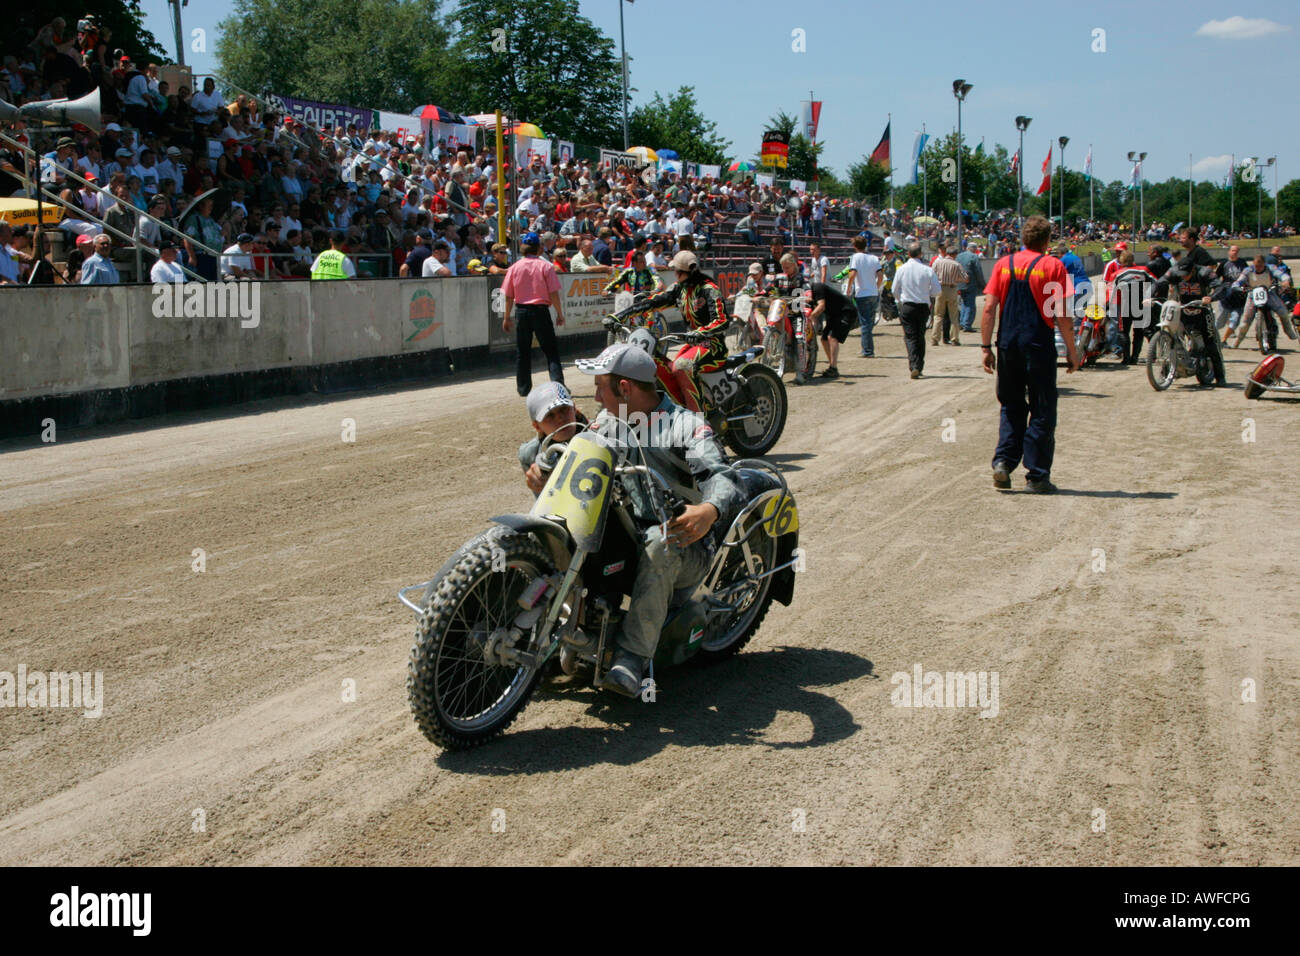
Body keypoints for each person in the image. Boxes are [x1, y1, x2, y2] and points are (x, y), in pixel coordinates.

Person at [557, 342, 743, 696]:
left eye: (600, 385)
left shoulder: (685, 425)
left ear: (624, 389)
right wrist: (543, 466)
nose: (596, 396)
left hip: (686, 545)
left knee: (662, 540)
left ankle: (631, 657)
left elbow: (723, 475)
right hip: (631, 533)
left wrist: (709, 509)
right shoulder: (608, 422)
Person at [980, 215, 1081, 494]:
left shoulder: (1003, 265)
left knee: (1011, 405)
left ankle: (1003, 461)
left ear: (1023, 239)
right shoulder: (1053, 266)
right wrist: (1073, 352)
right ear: (1047, 241)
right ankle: (1036, 476)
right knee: (1042, 408)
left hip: (1008, 344)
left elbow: (989, 309)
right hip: (1038, 345)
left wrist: (986, 348)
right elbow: (1062, 313)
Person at [636, 251, 728, 412]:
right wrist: (622, 314)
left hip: (713, 345)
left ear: (688, 272)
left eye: (677, 271)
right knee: (669, 368)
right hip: (693, 344)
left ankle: (698, 419)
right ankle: (679, 408)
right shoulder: (680, 289)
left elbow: (722, 320)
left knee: (681, 366)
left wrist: (701, 332)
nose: (675, 274)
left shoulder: (709, 289)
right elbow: (656, 301)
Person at [502, 231, 566, 397]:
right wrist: (559, 313)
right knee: (551, 350)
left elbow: (509, 295)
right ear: (538, 249)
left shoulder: (515, 267)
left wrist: (506, 316)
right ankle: (558, 385)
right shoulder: (545, 266)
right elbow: (553, 293)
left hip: (522, 311)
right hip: (540, 310)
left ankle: (523, 388)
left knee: (522, 351)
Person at [1164, 226, 1227, 385]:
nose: (1180, 240)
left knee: (1210, 343)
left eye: (1183, 237)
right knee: (1172, 330)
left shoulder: (1199, 256)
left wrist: (1209, 293)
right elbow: (1164, 280)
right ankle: (1172, 366)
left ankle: (1220, 377)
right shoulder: (1186, 260)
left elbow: (1214, 271)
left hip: (1201, 305)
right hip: (1185, 304)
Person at [518, 382, 590, 495]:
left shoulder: (600, 436)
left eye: (564, 409)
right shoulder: (530, 454)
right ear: (537, 426)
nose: (560, 418)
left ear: (574, 409)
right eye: (549, 415)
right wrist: (538, 483)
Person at [892, 243, 941, 378]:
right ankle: (919, 366)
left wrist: (901, 300)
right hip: (923, 306)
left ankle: (914, 365)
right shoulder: (927, 270)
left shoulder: (902, 269)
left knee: (910, 337)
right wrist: (927, 294)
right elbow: (937, 290)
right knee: (920, 336)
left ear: (908, 254)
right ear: (920, 254)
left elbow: (894, 289)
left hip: (907, 305)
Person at [1231, 254, 1297, 352]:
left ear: (1264, 264)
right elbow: (1239, 280)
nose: (1258, 268)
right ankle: (1238, 340)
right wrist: (1236, 286)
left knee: (1283, 312)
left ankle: (1288, 331)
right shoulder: (1248, 270)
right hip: (1253, 294)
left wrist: (1285, 280)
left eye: (1260, 265)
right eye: (1256, 265)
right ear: (1253, 264)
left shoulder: (1270, 268)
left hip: (1269, 292)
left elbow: (1281, 274)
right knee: (1245, 322)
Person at [807, 281, 853, 378]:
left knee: (832, 337)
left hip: (846, 311)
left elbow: (821, 306)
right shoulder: (810, 293)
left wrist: (809, 318)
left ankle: (833, 367)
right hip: (834, 314)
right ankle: (832, 366)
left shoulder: (817, 288)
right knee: (824, 339)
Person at [846, 236, 882, 357]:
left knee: (865, 323)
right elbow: (880, 275)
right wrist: (876, 287)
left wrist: (849, 287)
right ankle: (867, 347)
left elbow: (853, 274)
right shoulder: (874, 258)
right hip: (873, 293)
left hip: (862, 293)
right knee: (869, 323)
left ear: (855, 246)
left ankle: (867, 350)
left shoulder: (855, 257)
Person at [930, 243, 968, 346]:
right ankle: (954, 339)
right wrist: (956, 280)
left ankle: (934, 339)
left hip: (940, 289)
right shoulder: (956, 264)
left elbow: (931, 275)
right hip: (952, 289)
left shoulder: (938, 263)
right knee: (954, 316)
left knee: (938, 315)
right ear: (955, 254)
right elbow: (966, 278)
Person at [956, 242, 987, 333]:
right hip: (970, 283)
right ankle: (967, 324)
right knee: (970, 304)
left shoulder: (959, 256)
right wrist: (983, 285)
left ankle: (961, 323)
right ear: (973, 249)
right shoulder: (974, 257)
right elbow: (978, 272)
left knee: (963, 303)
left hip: (959, 284)